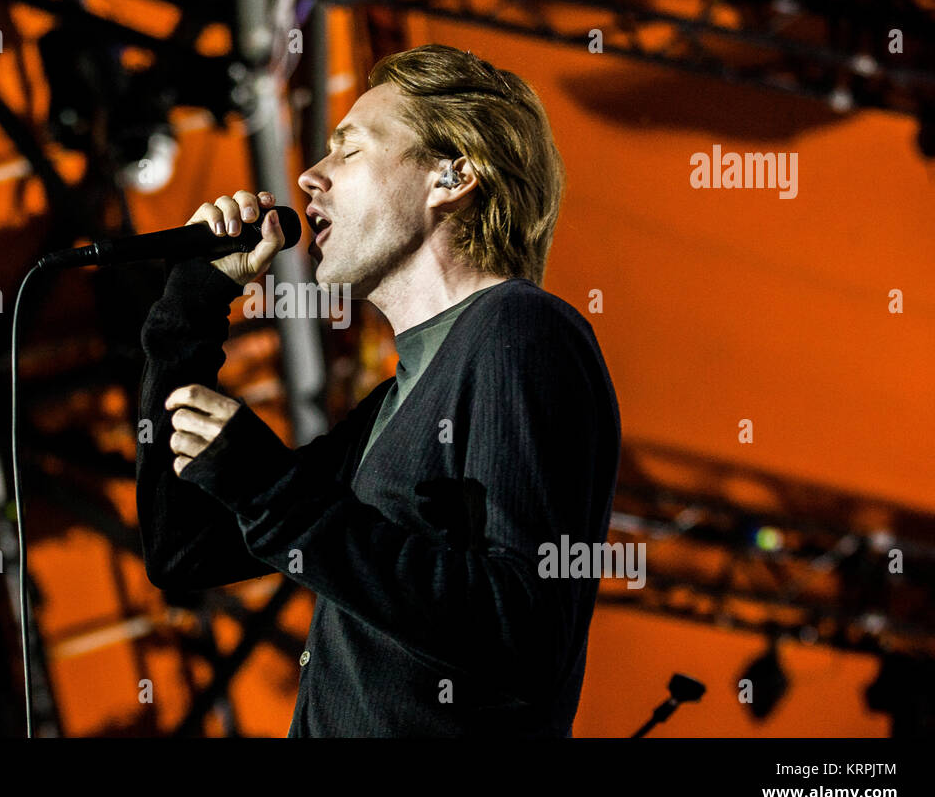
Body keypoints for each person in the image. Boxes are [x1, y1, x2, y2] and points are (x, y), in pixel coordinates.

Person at [135, 43, 621, 736]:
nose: (308, 176)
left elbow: (524, 632)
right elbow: (183, 551)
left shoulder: (520, 329)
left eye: (349, 151)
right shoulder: (395, 403)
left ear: (452, 175)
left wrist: (272, 490)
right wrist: (192, 306)